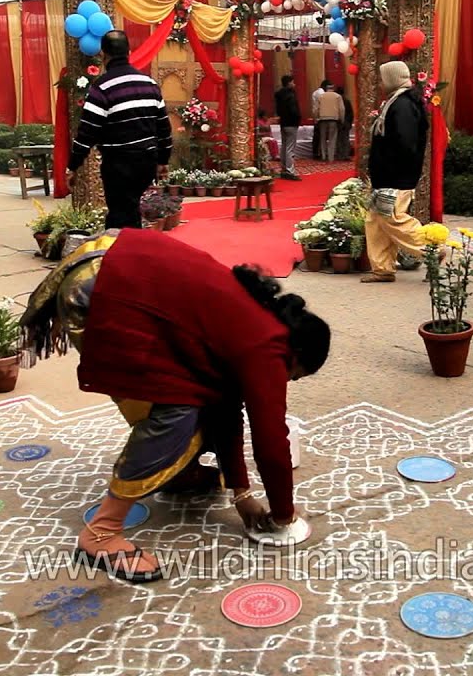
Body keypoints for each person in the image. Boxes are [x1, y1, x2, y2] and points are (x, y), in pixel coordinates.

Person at [18, 228, 331, 582]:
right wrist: (284, 515)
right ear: (296, 355)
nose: (284, 383)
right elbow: (271, 441)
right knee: (174, 411)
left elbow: (227, 408)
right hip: (103, 288)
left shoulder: (253, 323)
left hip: (114, 258)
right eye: (294, 377)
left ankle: (182, 473)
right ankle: (100, 534)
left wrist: (241, 494)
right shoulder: (267, 347)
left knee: (199, 396)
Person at [67, 31, 172, 231]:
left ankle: (124, 254)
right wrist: (163, 160)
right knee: (128, 210)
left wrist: (72, 166)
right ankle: (128, 250)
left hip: (119, 165)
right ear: (129, 52)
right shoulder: (149, 84)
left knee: (120, 215)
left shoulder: (102, 88)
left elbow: (87, 132)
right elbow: (164, 127)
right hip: (146, 163)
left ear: (104, 55)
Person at [361, 61, 428, 284]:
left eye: (382, 79)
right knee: (375, 221)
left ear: (392, 79)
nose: (380, 83)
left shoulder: (403, 106)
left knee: (392, 218)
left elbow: (406, 144)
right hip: (386, 175)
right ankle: (382, 269)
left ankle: (431, 249)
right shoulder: (396, 102)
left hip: (395, 176)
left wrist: (388, 166)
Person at [274, 75, 302, 180]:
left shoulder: (278, 95)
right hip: (291, 122)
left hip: (283, 122)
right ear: (289, 83)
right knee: (290, 148)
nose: (294, 84)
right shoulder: (291, 95)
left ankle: (284, 168)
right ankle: (290, 170)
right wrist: (298, 118)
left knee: (284, 146)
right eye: (293, 82)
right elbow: (293, 110)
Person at [315, 84, 345, 161]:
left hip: (322, 119)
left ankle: (324, 156)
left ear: (326, 89)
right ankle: (331, 157)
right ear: (333, 89)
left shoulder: (320, 96)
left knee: (323, 139)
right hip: (333, 120)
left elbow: (316, 109)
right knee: (332, 139)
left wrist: (316, 118)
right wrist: (342, 119)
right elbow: (341, 109)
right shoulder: (337, 96)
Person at [336, 86, 354, 161]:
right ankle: (346, 155)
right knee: (346, 139)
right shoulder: (347, 101)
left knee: (339, 139)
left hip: (339, 122)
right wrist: (349, 123)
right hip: (346, 122)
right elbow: (351, 113)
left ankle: (340, 155)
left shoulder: (336, 101)